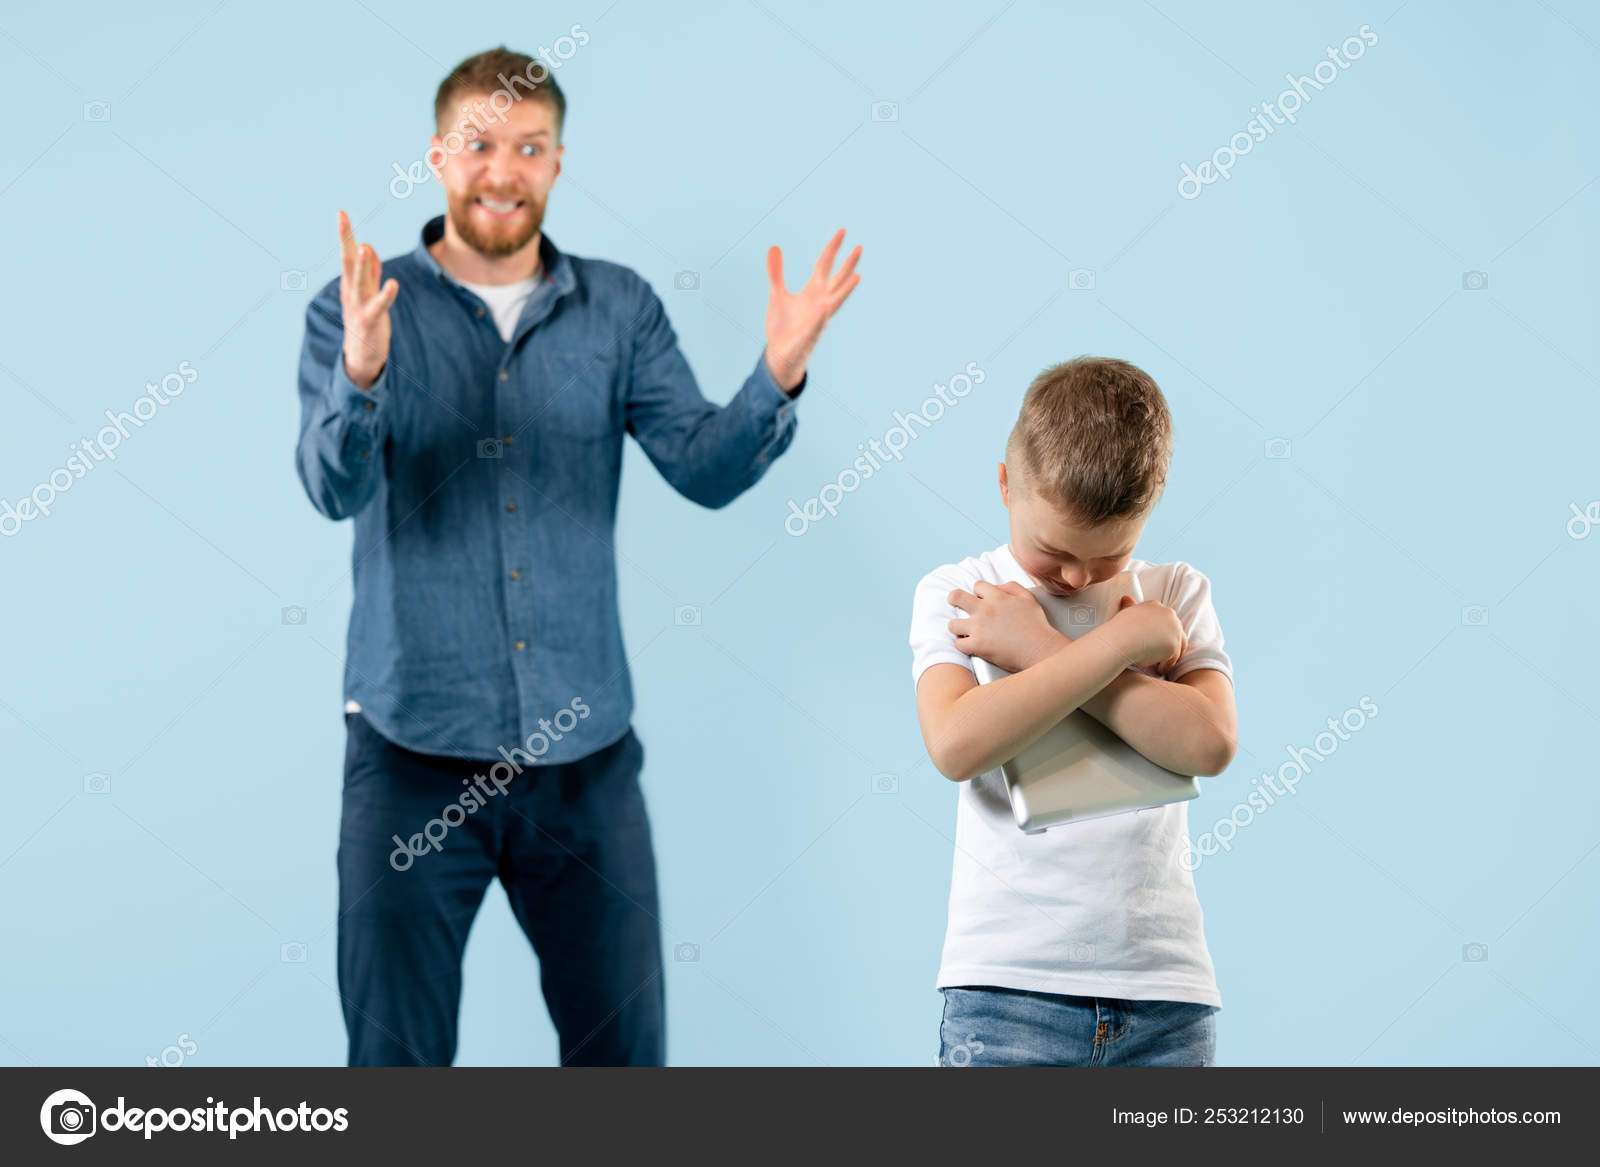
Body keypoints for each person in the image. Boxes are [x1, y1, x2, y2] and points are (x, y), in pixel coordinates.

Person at [294, 45, 861, 1066]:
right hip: (412, 748)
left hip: (583, 759)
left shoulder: (620, 307)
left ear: (558, 163)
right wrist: (363, 373)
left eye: (527, 147)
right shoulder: (357, 308)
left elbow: (704, 467)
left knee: (624, 1063)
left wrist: (776, 375)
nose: (500, 171)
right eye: (477, 144)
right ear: (435, 155)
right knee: (393, 1068)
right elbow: (332, 489)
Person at [907, 357, 1238, 1066]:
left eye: (1110, 554)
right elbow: (957, 743)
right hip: (1008, 992)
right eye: (1054, 552)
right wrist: (1112, 642)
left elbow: (1208, 743)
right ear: (1005, 483)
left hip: (1164, 994)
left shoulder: (1175, 592)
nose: (1077, 577)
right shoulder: (965, 592)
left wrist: (1043, 648)